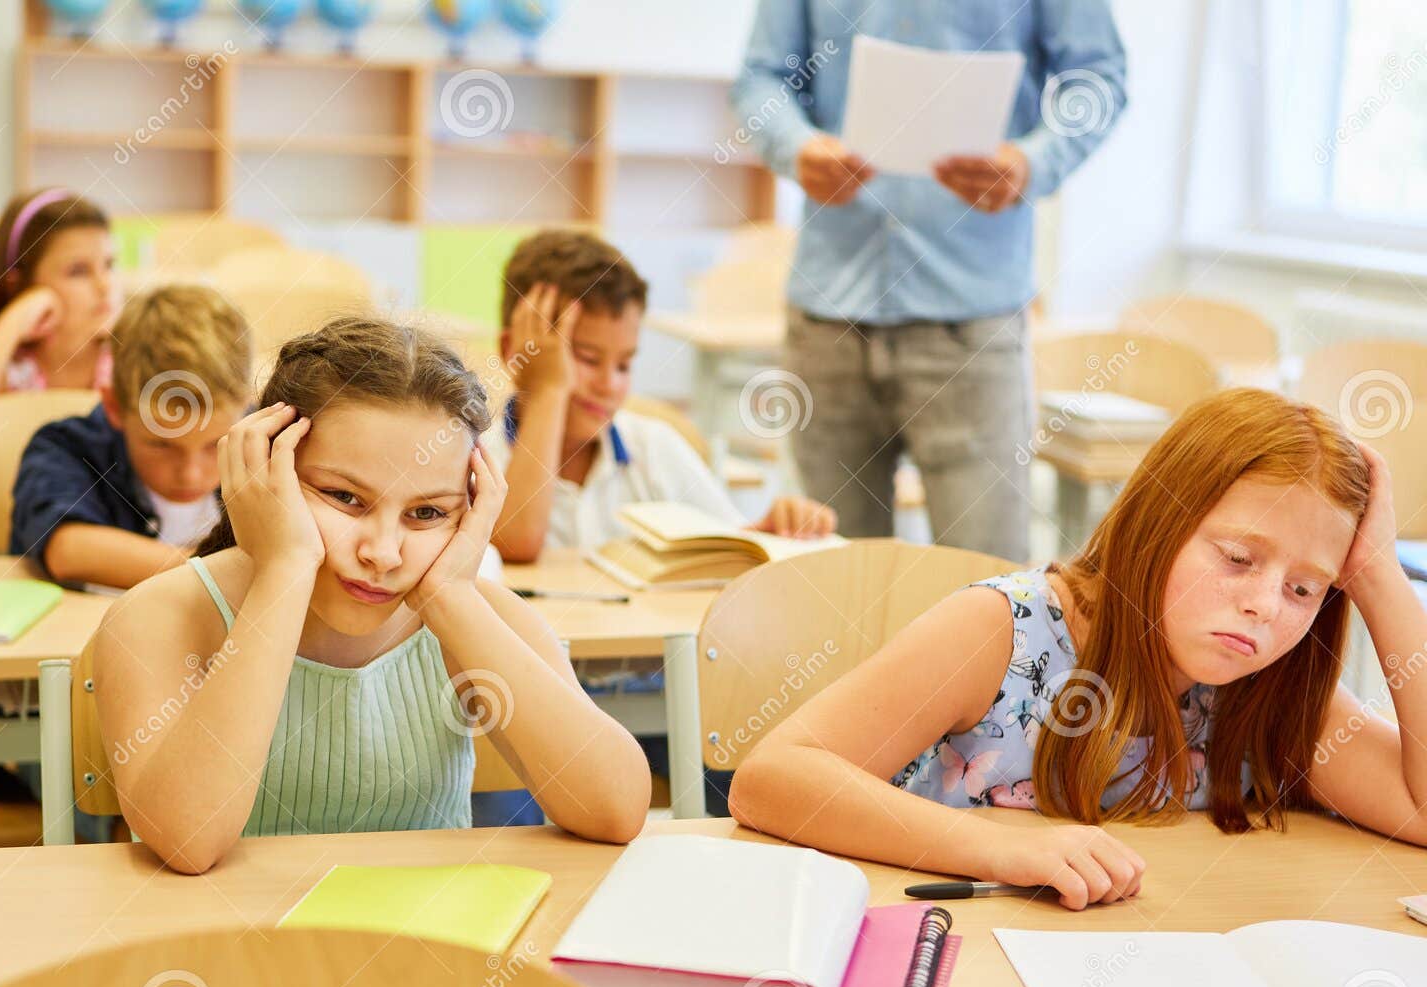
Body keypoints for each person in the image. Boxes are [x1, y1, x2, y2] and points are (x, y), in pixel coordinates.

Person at [731, 390, 1427, 909]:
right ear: (1159, 521)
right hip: (944, 962)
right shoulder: (1002, 631)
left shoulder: (1273, 687)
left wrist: (1381, 579)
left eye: (1306, 590)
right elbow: (773, 779)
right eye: (1239, 558)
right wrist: (1005, 847)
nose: (1265, 606)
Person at [94, 316, 651, 873]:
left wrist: (451, 600)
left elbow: (616, 810)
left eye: (427, 512)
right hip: (233, 951)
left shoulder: (473, 615)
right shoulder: (159, 617)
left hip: (427, 949)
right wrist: (285, 570)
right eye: (344, 497)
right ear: (265, 467)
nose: (383, 553)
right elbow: (188, 842)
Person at [731, 1, 1128, 559]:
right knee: (827, 589)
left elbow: (1099, 78)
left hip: (972, 320)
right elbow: (761, 78)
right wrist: (796, 146)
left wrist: (1032, 162)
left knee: (989, 589)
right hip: (829, 315)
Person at [488, 229, 836, 562]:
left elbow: (730, 549)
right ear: (514, 351)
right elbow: (517, 544)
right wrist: (549, 389)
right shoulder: (475, 457)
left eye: (624, 365)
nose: (609, 384)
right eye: (588, 359)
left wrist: (775, 527)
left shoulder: (654, 448)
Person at [11, 285, 250, 592]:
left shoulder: (271, 444)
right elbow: (68, 550)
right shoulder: (63, 448)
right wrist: (235, 573)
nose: (190, 473)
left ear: (246, 406)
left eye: (214, 444)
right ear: (114, 406)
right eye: (161, 445)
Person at [0, 188, 116, 417]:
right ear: (21, 285)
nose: (105, 286)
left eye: (109, 265)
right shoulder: (13, 370)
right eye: (78, 271)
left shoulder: (126, 360)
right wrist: (16, 318)